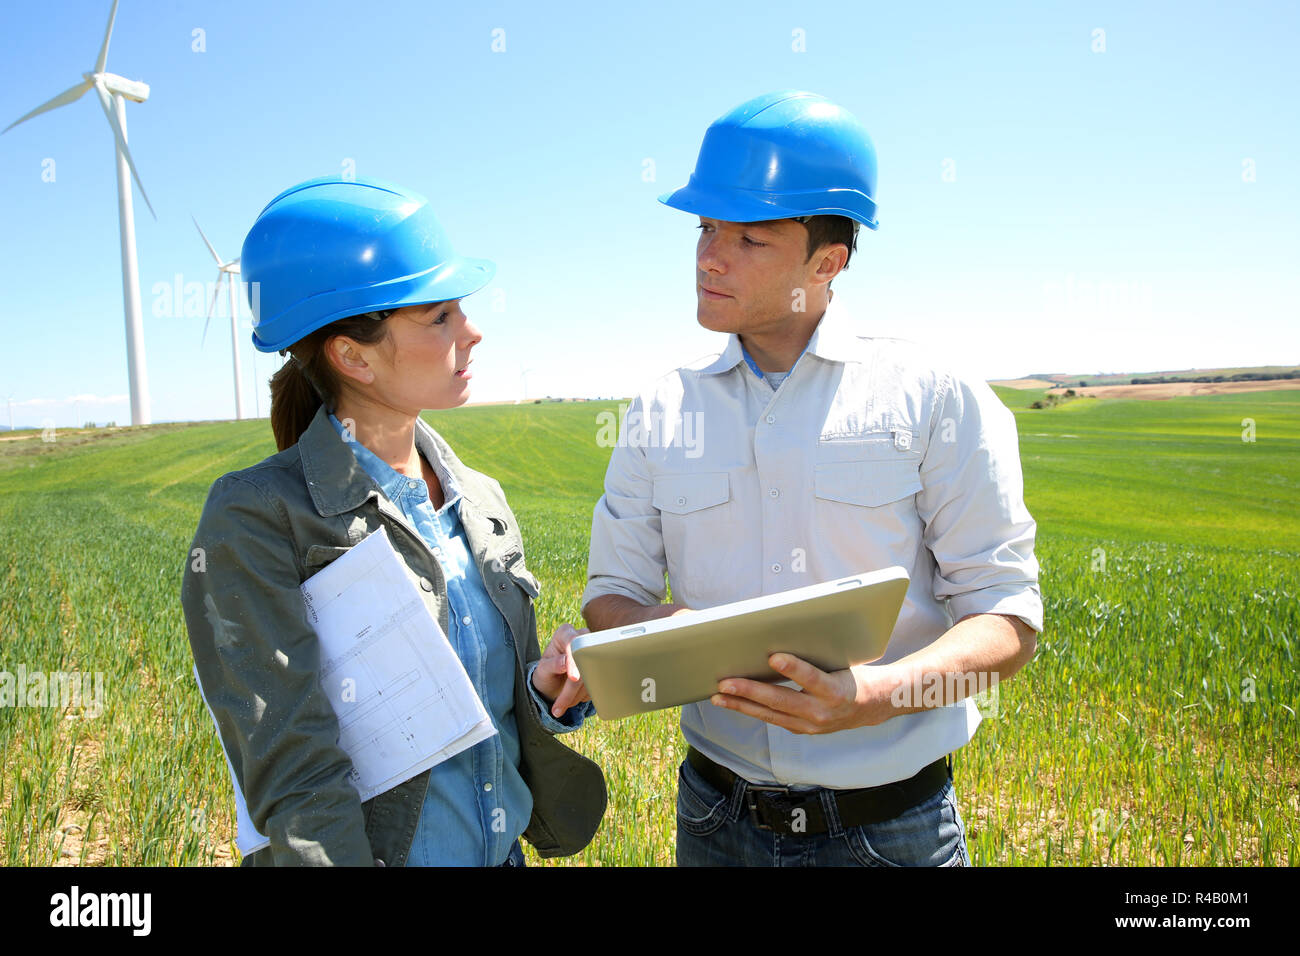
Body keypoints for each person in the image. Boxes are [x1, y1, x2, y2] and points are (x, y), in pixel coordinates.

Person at [580, 92, 1043, 866]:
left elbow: (1007, 620)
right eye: (704, 228)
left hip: (891, 831)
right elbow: (608, 595)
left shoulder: (934, 393)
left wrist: (873, 699)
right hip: (713, 821)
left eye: (750, 238)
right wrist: (682, 641)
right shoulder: (662, 407)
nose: (708, 257)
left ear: (827, 263)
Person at [181, 176, 604, 867]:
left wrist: (542, 686)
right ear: (353, 356)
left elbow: (483, 711)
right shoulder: (258, 521)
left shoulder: (481, 499)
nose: (473, 330)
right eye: (439, 316)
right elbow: (295, 776)